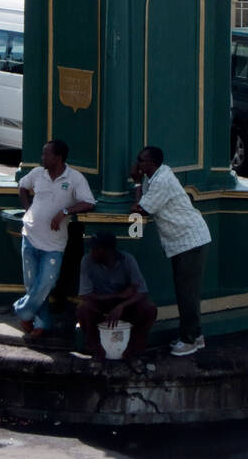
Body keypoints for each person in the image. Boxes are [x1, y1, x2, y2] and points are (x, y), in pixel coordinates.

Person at [132, 145, 212, 357]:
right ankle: (195, 335)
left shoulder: (161, 180)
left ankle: (189, 340)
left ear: (152, 163)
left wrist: (136, 182)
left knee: (187, 293)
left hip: (190, 241)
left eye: (141, 160)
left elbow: (141, 208)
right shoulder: (155, 177)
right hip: (183, 241)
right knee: (187, 292)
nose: (137, 164)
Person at [14, 140, 96, 340]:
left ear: (58, 158)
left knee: (45, 284)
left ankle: (23, 312)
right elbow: (22, 187)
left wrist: (65, 211)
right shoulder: (37, 174)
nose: (42, 158)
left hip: (54, 244)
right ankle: (42, 324)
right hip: (30, 236)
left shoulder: (75, 178)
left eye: (46, 154)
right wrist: (28, 209)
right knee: (32, 285)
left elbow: (89, 202)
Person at [77, 231, 157, 360]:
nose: (92, 251)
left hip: (125, 305)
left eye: (96, 248)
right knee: (83, 308)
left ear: (105, 251)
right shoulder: (87, 261)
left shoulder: (128, 260)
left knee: (149, 308)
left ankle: (134, 350)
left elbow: (142, 291)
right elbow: (85, 296)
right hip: (101, 304)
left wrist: (121, 305)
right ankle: (95, 349)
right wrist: (119, 296)